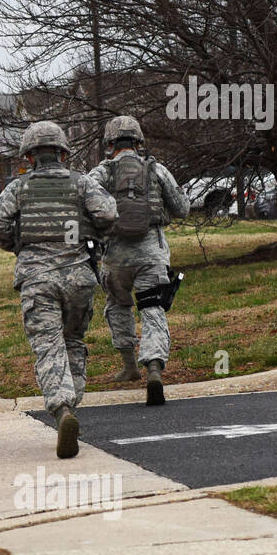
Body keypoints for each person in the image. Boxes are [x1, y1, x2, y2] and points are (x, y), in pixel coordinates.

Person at [0, 121, 116, 458]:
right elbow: (108, 213)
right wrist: (93, 238)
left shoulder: (20, 187)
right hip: (79, 278)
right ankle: (72, 403)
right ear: (62, 152)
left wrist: (18, 246)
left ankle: (61, 409)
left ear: (29, 156)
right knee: (72, 341)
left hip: (37, 280)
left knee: (48, 346)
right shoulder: (82, 183)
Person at [87, 115, 190, 405]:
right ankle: (154, 368)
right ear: (139, 141)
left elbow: (87, 210)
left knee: (118, 304)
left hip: (115, 256)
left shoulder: (100, 173)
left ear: (110, 144)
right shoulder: (156, 169)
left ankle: (129, 366)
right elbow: (182, 208)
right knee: (153, 307)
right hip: (151, 253)